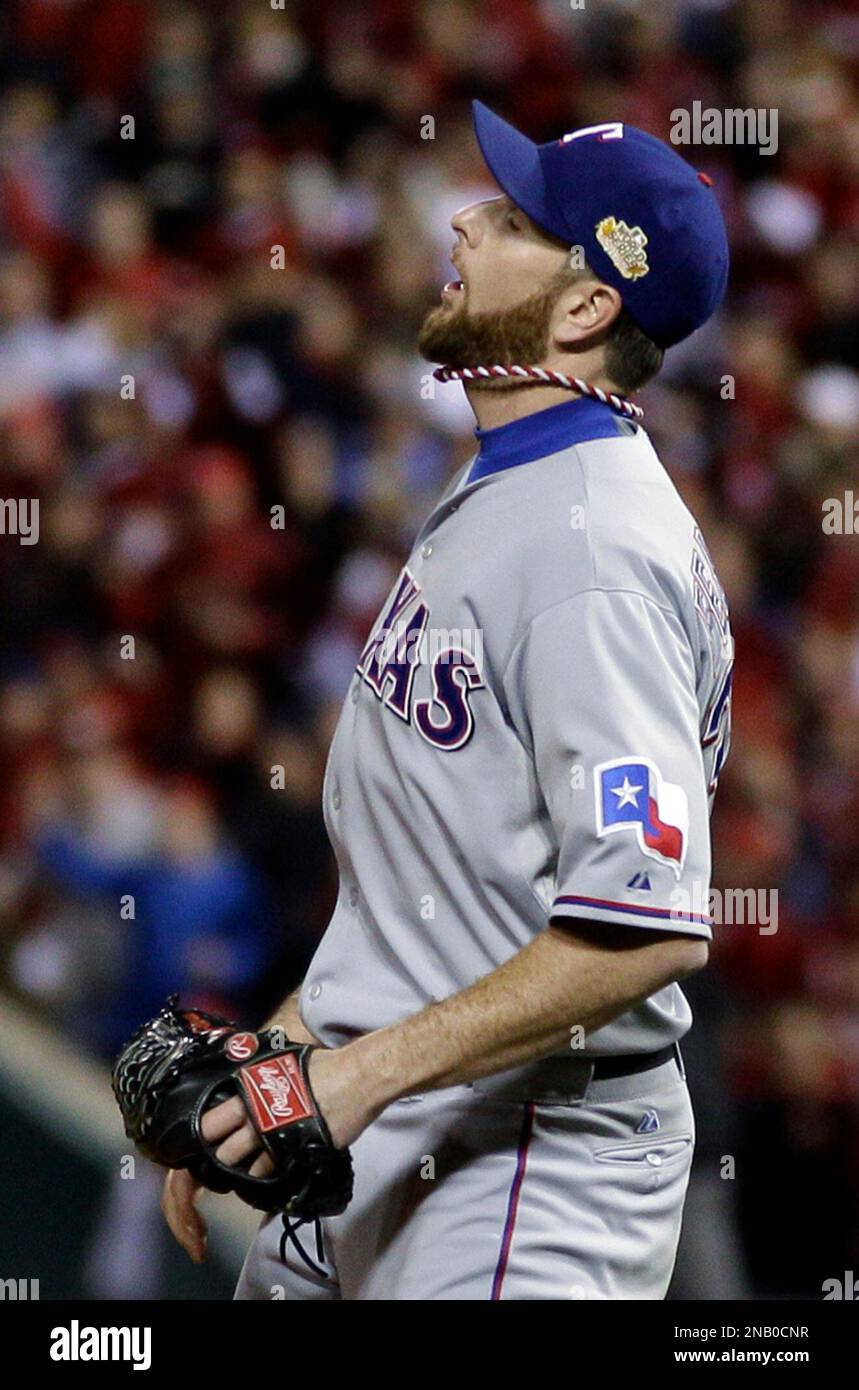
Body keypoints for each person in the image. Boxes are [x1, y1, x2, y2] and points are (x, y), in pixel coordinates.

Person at [162, 103, 734, 1300]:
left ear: (585, 308)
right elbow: (441, 877)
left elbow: (645, 918)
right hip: (401, 1113)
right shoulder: (514, 478)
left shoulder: (594, 552)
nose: (465, 217)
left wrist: (359, 1076)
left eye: (513, 218)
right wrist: (290, 1051)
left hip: (529, 1163)